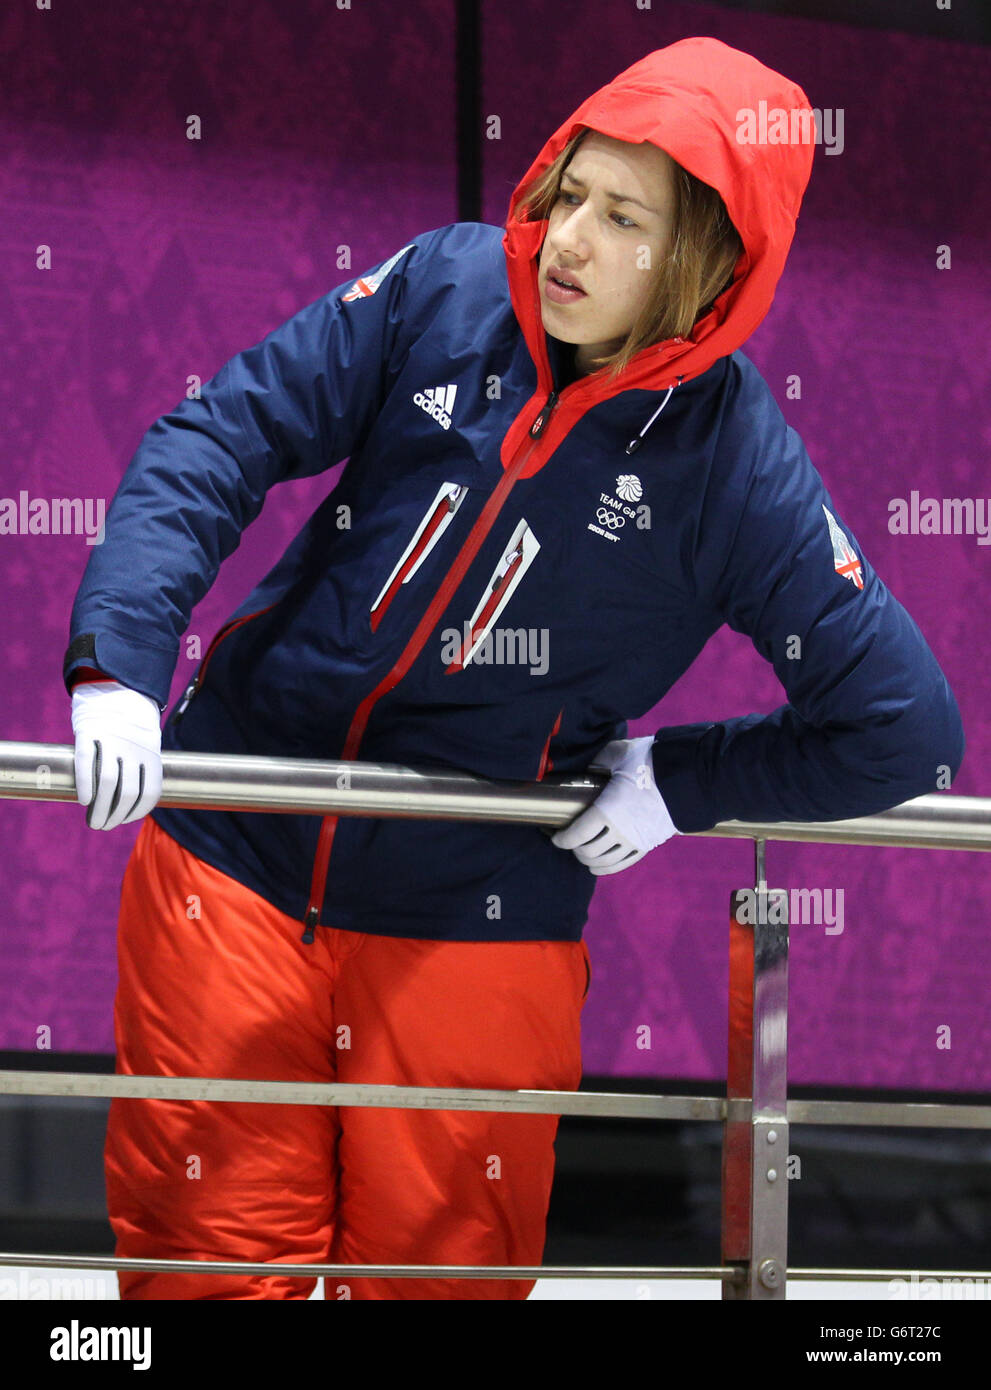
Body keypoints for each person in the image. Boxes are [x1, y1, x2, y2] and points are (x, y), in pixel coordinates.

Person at [64, 37, 964, 1301]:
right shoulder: (443, 287)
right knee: (199, 1279)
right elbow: (218, 435)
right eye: (568, 193)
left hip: (475, 919)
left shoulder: (737, 469)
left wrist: (683, 782)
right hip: (234, 865)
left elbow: (903, 730)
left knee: (440, 1292)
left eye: (622, 217)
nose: (565, 241)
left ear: (705, 260)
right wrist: (119, 657)